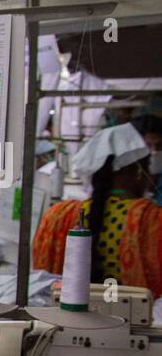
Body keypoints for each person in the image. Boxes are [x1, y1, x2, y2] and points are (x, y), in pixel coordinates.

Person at [34, 123, 162, 293]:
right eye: (148, 167)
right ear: (138, 171)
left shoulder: (59, 216)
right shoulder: (151, 221)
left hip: (70, 316)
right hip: (136, 316)